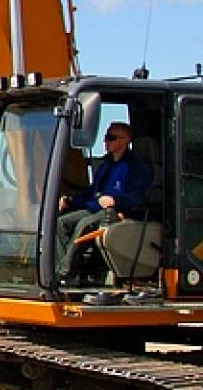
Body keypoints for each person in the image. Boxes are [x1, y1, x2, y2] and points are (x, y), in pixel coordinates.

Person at [55, 122, 150, 296]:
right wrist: (70, 200)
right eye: (106, 137)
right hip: (95, 208)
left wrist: (116, 200)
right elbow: (92, 192)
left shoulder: (136, 168)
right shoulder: (105, 165)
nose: (105, 141)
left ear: (126, 140)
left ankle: (64, 274)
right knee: (61, 223)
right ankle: (66, 268)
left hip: (119, 212)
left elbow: (139, 198)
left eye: (111, 138)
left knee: (84, 225)